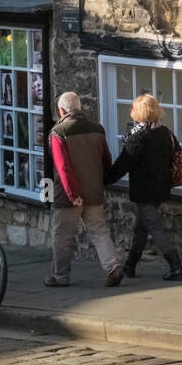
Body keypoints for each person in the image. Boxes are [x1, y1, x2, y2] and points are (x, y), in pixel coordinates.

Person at [44, 92, 124, 288]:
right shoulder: (97, 129)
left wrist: (73, 194)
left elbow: (63, 168)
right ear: (79, 108)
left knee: (62, 236)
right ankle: (113, 266)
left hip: (69, 195)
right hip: (94, 190)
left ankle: (60, 276)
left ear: (62, 110)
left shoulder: (58, 133)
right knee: (99, 232)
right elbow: (106, 159)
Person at [105, 94, 182, 281]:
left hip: (145, 190)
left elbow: (123, 164)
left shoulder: (138, 137)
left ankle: (176, 267)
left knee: (155, 228)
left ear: (138, 113)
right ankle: (130, 266)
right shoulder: (166, 133)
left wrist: (105, 179)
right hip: (162, 188)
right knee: (140, 228)